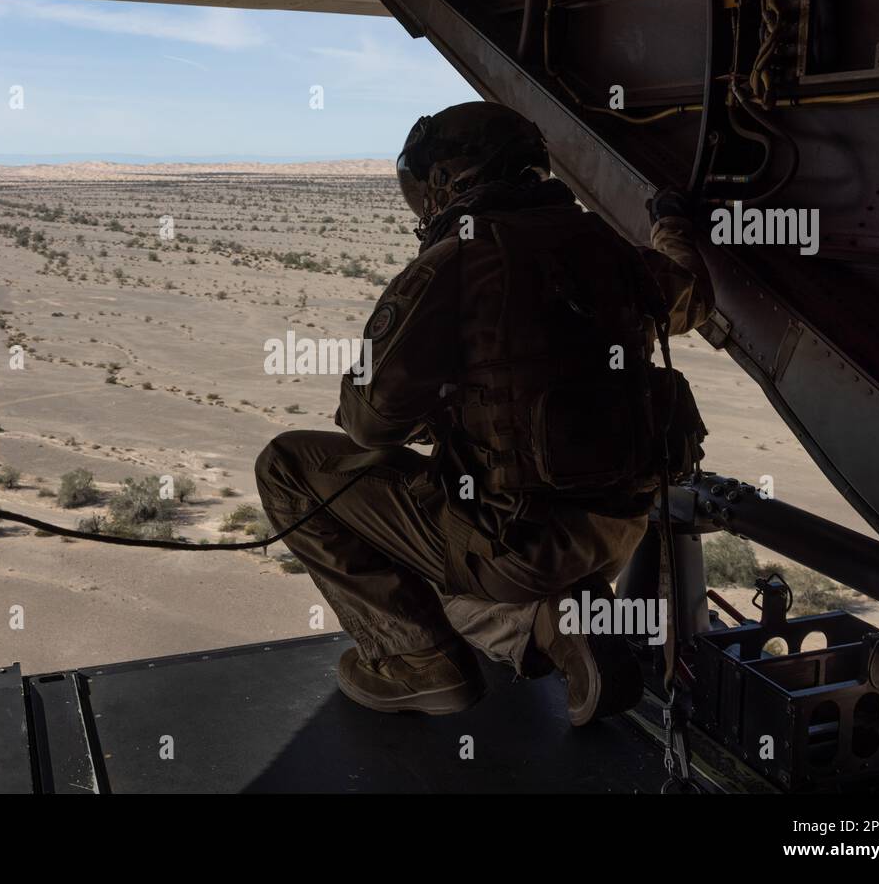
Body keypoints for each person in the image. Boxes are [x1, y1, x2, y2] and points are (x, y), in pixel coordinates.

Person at [255, 101, 712, 723]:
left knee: (290, 465)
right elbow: (694, 295)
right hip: (617, 532)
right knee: (455, 512)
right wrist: (670, 223)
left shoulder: (454, 262)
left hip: (515, 544)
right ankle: (553, 624)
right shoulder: (608, 249)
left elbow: (370, 423)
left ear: (450, 181)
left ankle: (417, 664)